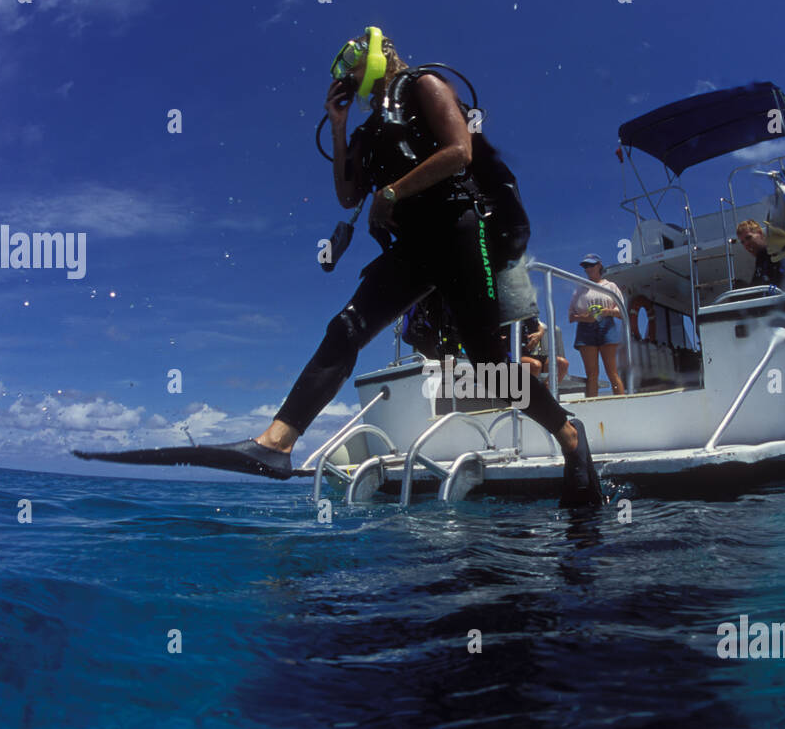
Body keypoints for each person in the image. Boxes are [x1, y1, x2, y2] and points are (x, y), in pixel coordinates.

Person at [193, 28, 602, 506]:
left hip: (458, 231)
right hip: (412, 248)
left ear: (378, 54)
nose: (345, 72)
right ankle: (276, 443)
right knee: (346, 329)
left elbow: (459, 153)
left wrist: (392, 192)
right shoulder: (368, 131)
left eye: (350, 60)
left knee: (491, 367)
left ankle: (567, 432)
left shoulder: (424, 85)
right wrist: (340, 125)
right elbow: (348, 195)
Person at [569, 254, 626, 398]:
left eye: (591, 265)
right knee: (592, 373)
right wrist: (585, 318)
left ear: (599, 265)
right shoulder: (580, 288)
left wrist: (609, 312)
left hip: (606, 326)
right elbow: (571, 316)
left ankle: (622, 404)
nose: (588, 269)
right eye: (585, 266)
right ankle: (593, 405)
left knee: (612, 371)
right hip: (585, 329)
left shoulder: (611, 286)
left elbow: (621, 312)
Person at [736, 219, 781, 288]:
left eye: (748, 238)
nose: (746, 244)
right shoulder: (760, 259)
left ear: (760, 233)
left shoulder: (777, 252)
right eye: (743, 242)